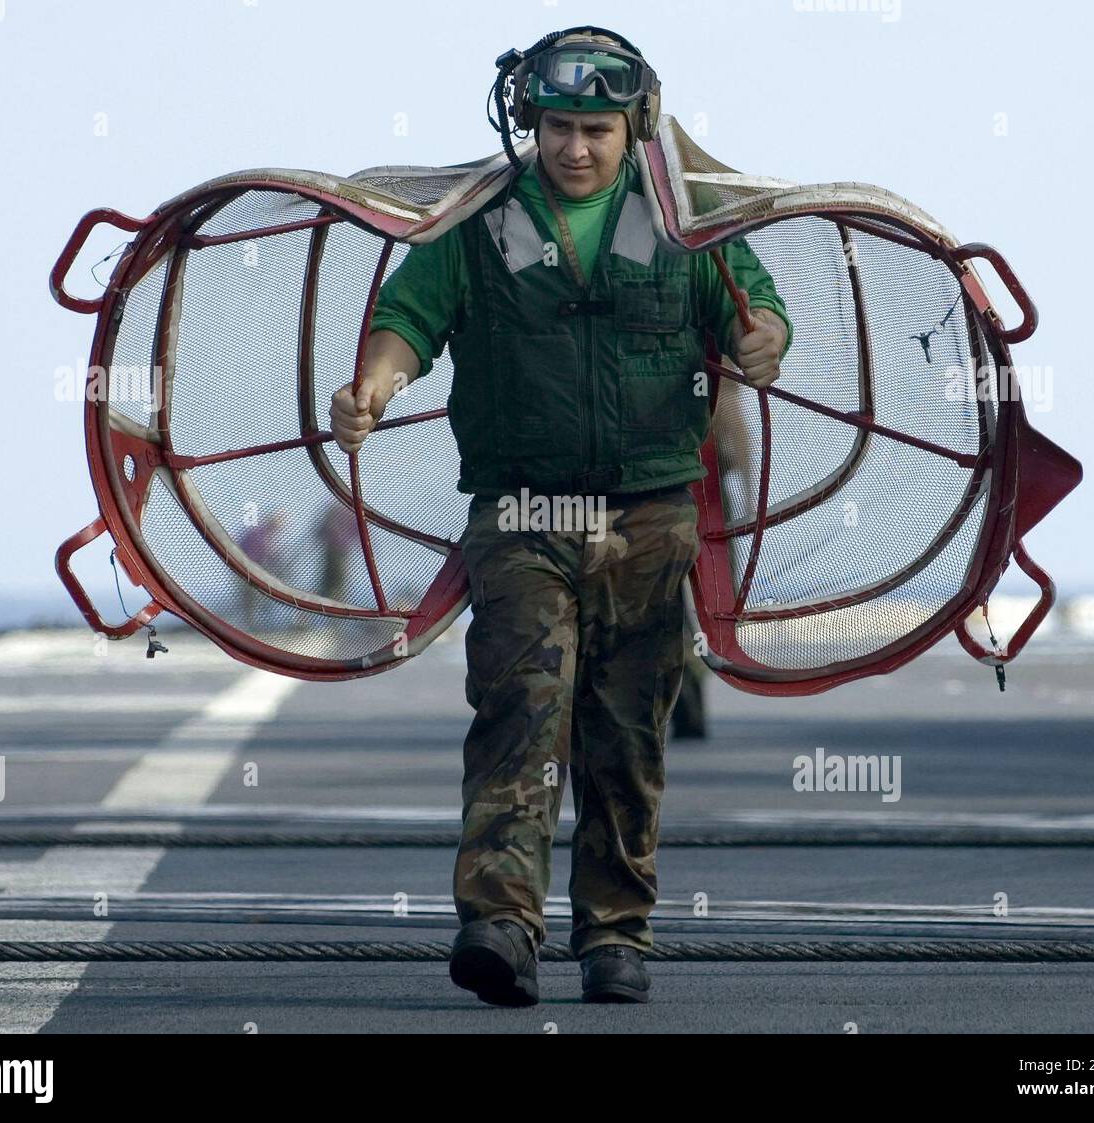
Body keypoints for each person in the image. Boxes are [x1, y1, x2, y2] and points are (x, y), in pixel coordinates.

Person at [329, 28, 792, 1005]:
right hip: (522, 513)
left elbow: (754, 309)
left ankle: (615, 934)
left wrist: (761, 343)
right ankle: (500, 922)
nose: (574, 148)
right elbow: (410, 318)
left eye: (595, 129)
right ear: (525, 124)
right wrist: (372, 384)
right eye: (555, 127)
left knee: (627, 734)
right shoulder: (477, 223)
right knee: (517, 715)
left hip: (653, 510)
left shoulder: (682, 221)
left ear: (635, 129)